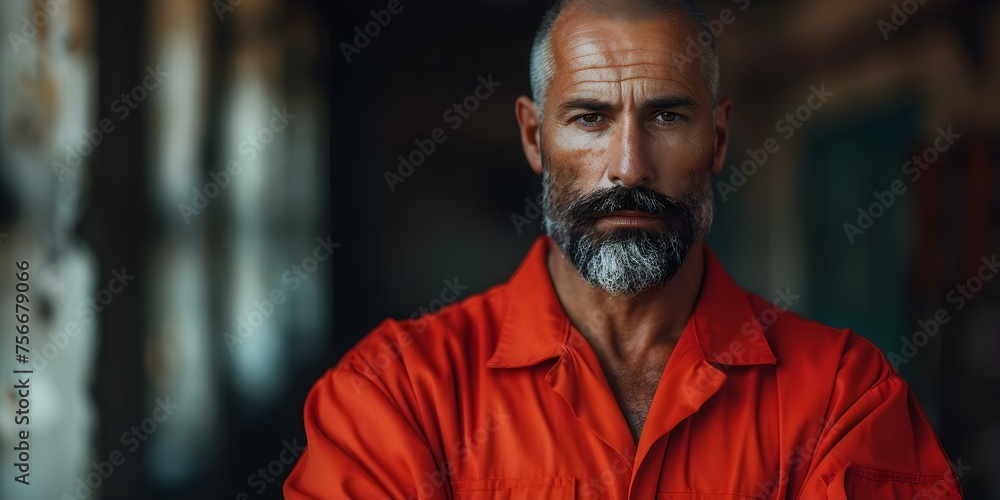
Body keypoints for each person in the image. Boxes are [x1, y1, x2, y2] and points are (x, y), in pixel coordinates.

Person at [285, 0, 963, 498]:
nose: (630, 167)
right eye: (589, 118)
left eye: (667, 116)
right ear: (532, 137)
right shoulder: (394, 396)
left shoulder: (844, 397)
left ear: (719, 140)